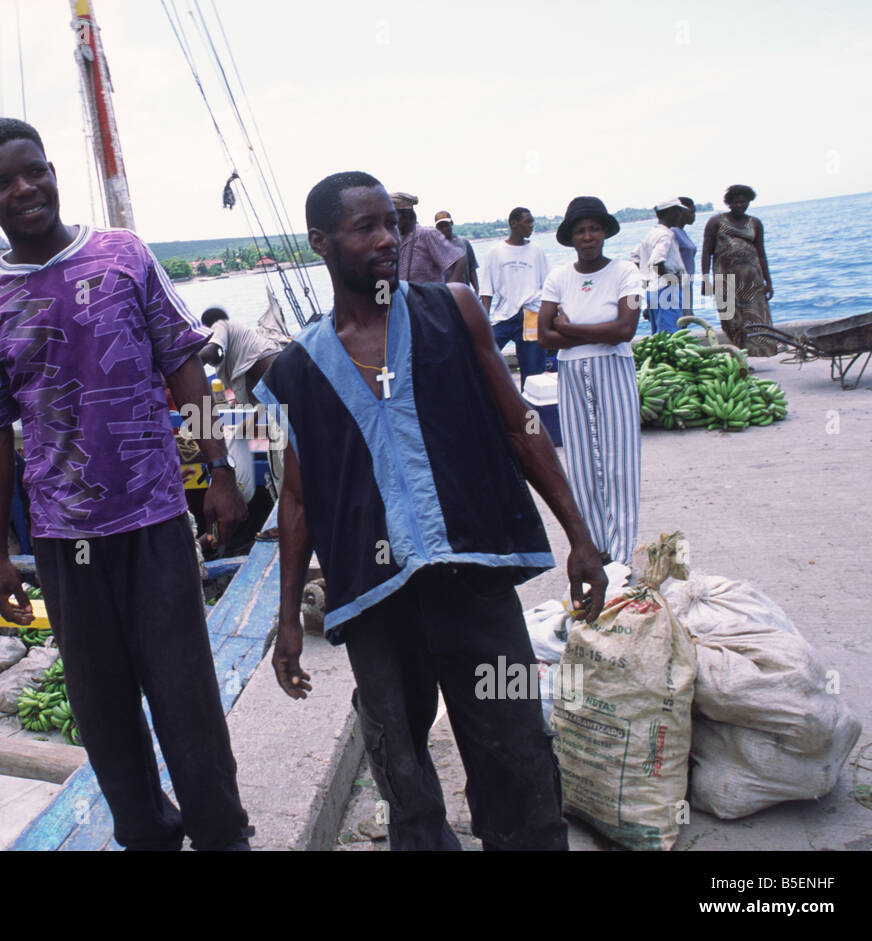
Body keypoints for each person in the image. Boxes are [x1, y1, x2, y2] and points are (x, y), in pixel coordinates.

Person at [255, 171, 608, 851]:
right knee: (404, 772)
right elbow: (296, 498)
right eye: (367, 227)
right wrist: (289, 617)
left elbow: (520, 424)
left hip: (471, 574)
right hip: (375, 596)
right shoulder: (294, 370)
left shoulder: (453, 309)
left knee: (516, 755)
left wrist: (579, 535)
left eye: (392, 222)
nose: (389, 237)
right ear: (322, 242)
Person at [0, 118, 251, 851]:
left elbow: (186, 365)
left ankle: (223, 835)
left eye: (34, 171)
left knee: (185, 697)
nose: (25, 189)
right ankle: (148, 834)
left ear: (53, 170)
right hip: (62, 538)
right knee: (102, 706)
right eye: (3, 183)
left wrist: (217, 472)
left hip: (152, 517)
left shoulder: (122, 255)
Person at [537, 196, 642, 565]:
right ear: (571, 237)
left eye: (593, 228)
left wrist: (571, 327)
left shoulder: (625, 272)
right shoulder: (558, 278)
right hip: (570, 372)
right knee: (581, 464)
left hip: (613, 368)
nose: (587, 236)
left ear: (604, 233)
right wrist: (597, 331)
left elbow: (625, 330)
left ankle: (622, 554)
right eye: (580, 231)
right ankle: (596, 549)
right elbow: (545, 335)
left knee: (619, 462)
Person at [478, 207, 550, 392]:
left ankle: (530, 415)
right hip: (504, 316)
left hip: (531, 315)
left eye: (532, 221)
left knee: (533, 374)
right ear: (513, 223)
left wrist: (551, 318)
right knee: (479, 358)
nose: (531, 225)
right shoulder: (496, 252)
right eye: (527, 221)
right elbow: (486, 291)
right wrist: (483, 323)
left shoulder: (537, 251)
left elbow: (548, 287)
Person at [700, 184, 777, 356]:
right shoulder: (716, 222)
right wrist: (705, 280)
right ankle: (739, 354)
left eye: (744, 202)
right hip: (724, 279)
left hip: (752, 280)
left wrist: (768, 281)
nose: (740, 205)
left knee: (756, 316)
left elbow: (761, 253)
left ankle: (755, 353)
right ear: (729, 203)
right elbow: (706, 252)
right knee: (730, 318)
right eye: (736, 202)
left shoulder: (755, 223)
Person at [198, 306, 283, 405]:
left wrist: (187, 368)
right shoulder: (234, 335)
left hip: (269, 367)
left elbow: (209, 353)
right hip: (275, 369)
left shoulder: (219, 324)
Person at [632, 199, 687, 335]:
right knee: (670, 334)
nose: (681, 215)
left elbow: (634, 257)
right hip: (667, 289)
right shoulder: (665, 235)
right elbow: (656, 261)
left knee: (659, 335)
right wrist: (673, 280)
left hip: (653, 290)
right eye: (678, 211)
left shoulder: (652, 234)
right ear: (671, 212)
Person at [392, 192, 467, 285]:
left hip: (429, 298)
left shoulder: (426, 235)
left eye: (395, 215)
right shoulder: (394, 240)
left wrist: (448, 290)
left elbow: (460, 259)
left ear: (406, 214)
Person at [432, 210, 479, 293]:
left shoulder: (464, 243)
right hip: (445, 293)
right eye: (440, 226)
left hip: (464, 292)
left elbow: (472, 269)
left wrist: (477, 289)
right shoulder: (434, 247)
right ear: (437, 228)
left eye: (446, 225)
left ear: (451, 223)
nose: (444, 228)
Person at [674, 197, 697, 315]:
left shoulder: (682, 232)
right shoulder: (672, 232)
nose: (694, 216)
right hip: (677, 285)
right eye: (691, 212)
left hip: (687, 284)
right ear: (680, 212)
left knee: (685, 320)